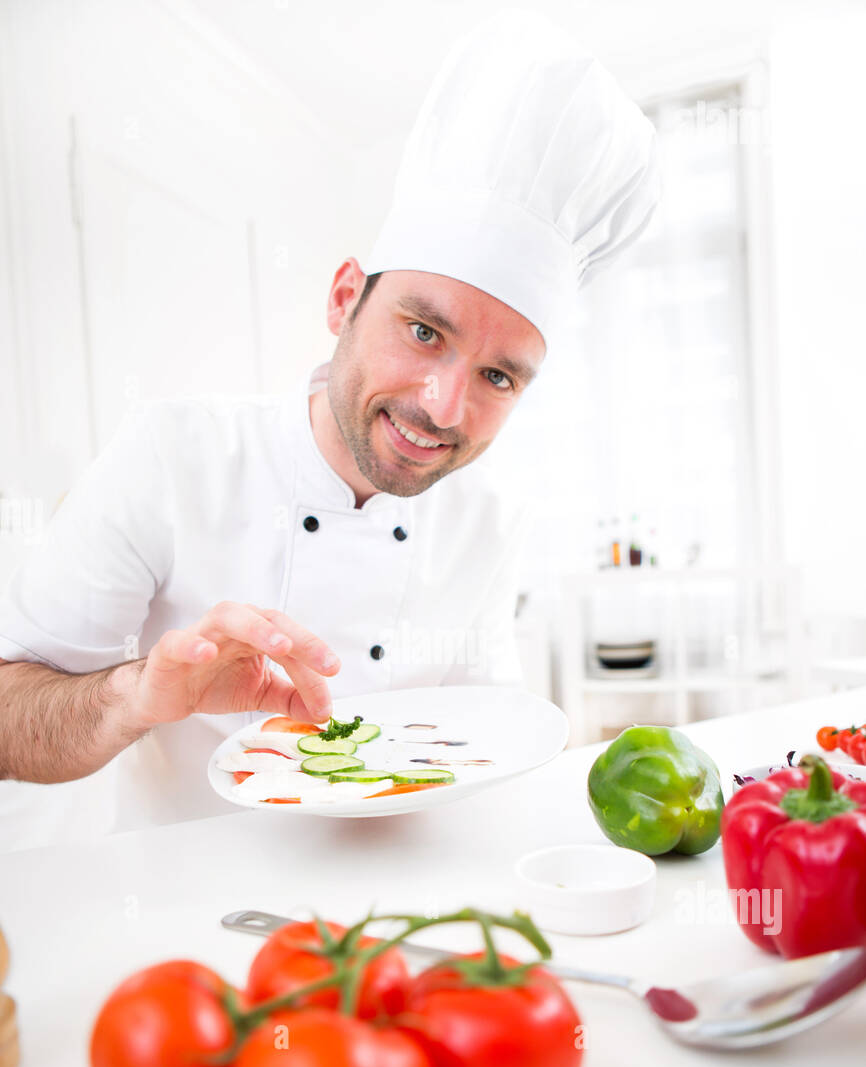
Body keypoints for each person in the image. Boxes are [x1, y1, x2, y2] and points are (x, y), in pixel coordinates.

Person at [0, 11, 659, 835]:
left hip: (406, 912)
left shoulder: (490, 519)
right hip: (192, 914)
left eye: (496, 376)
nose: (442, 408)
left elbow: (490, 733)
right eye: (425, 331)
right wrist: (134, 697)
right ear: (345, 297)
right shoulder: (171, 454)